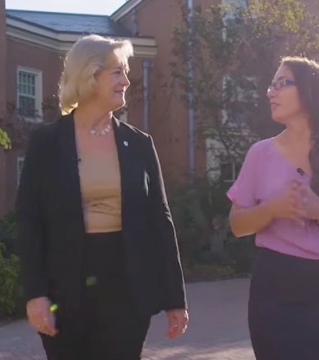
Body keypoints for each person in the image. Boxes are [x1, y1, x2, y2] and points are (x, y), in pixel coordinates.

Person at [14, 34, 188, 360]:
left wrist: (175, 299)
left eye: (126, 72)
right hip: (64, 286)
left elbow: (160, 220)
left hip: (126, 284)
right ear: (90, 75)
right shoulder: (47, 141)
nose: (126, 80)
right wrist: (36, 295)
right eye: (117, 72)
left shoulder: (139, 144)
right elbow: (29, 221)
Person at [227, 57, 319, 359]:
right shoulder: (259, 154)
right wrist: (272, 209)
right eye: (270, 85)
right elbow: (237, 225)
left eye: (281, 83)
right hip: (275, 286)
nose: (269, 92)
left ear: (309, 92)